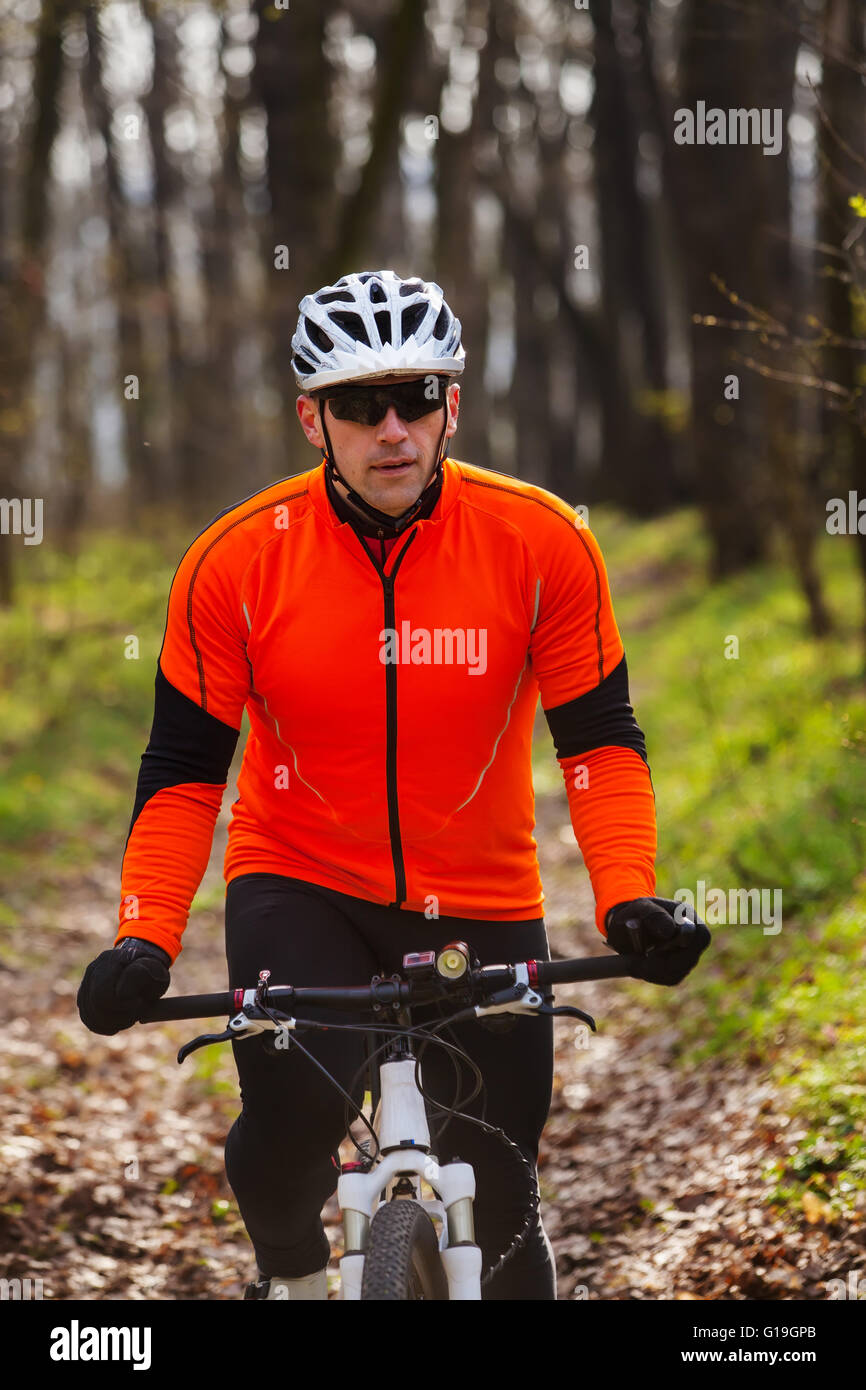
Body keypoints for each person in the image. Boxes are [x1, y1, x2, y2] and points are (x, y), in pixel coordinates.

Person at [77, 269, 710, 1301]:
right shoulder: (232, 563)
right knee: (288, 1136)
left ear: (452, 404)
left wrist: (627, 896)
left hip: (481, 893)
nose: (391, 428)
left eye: (416, 395)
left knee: (502, 1198)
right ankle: (290, 1276)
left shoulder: (539, 540)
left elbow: (596, 738)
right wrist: (144, 936)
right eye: (357, 403)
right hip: (299, 880)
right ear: (309, 418)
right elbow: (187, 771)